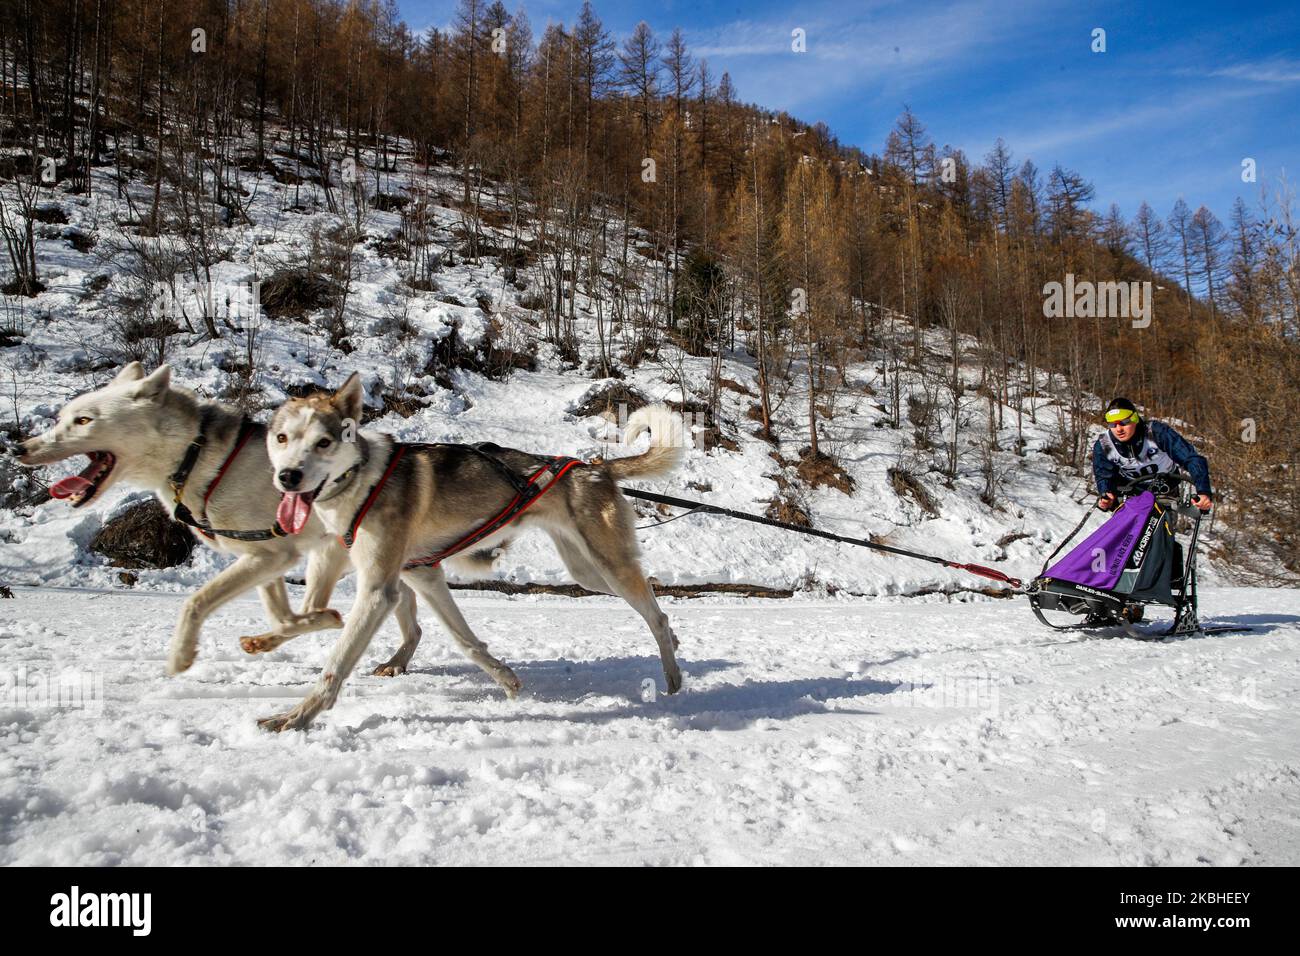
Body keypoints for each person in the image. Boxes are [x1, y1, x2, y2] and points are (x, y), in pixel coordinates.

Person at [1092, 397, 1213, 513]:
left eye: (1124, 423)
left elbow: (1191, 458)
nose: (1119, 429)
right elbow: (1103, 475)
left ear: (1135, 419)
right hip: (1131, 491)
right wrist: (1106, 494)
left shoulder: (1155, 432)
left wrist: (1203, 491)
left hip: (1165, 489)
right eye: (1113, 424)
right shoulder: (1104, 444)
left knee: (1161, 528)